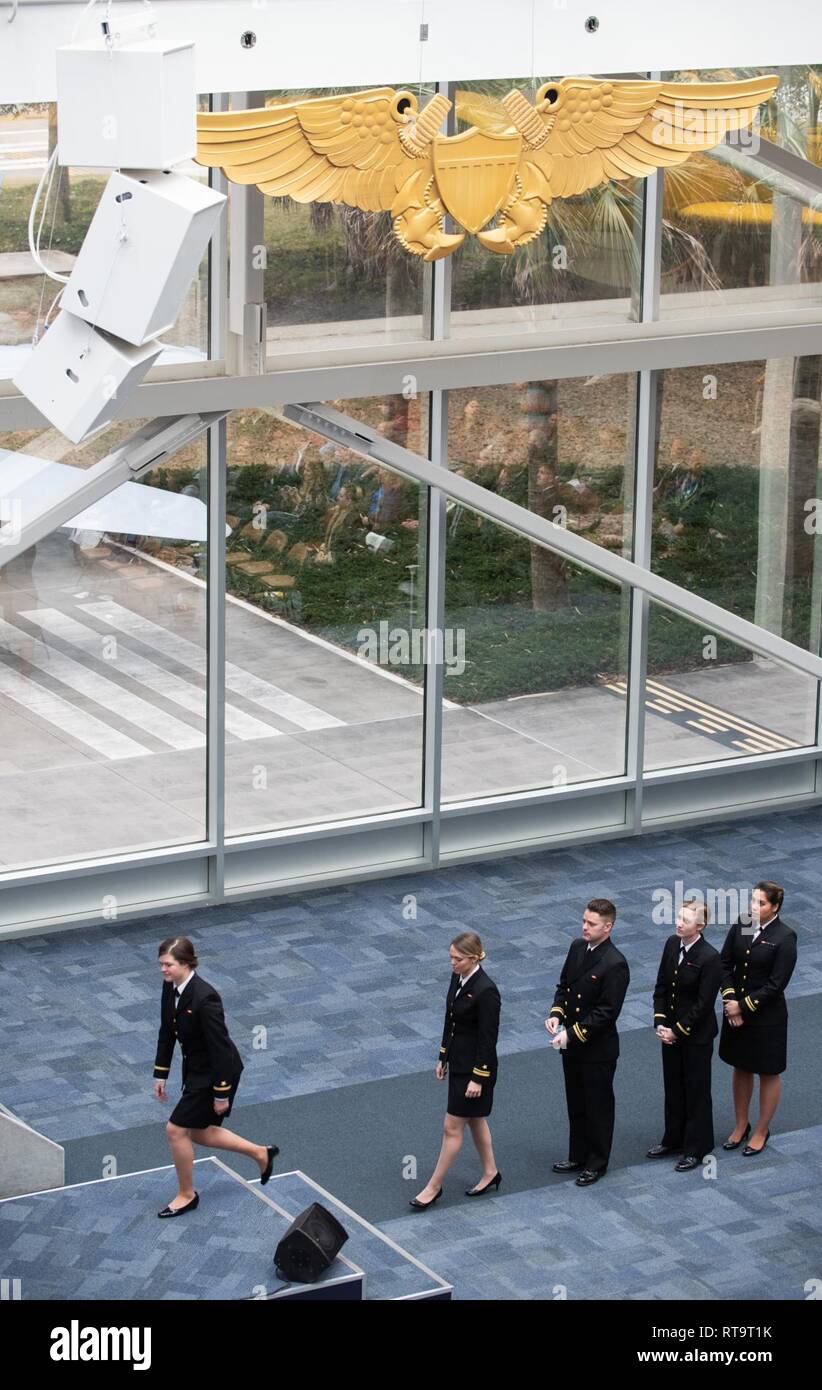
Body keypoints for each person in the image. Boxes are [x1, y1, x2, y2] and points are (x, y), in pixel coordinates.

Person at [153, 936, 279, 1216]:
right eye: (161, 964)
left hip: (216, 1072)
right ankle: (261, 1153)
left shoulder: (205, 997)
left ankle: (186, 1195)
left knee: (175, 1130)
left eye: (168, 964)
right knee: (198, 1131)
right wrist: (160, 1074)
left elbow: (220, 1048)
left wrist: (221, 1092)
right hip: (196, 1069)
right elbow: (167, 1031)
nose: (163, 970)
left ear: (185, 964)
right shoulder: (170, 987)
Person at [411, 933, 502, 1209]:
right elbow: (450, 1019)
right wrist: (443, 1056)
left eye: (458, 959)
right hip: (459, 1064)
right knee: (475, 1120)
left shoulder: (487, 991)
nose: (452, 963)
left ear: (474, 958)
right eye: (451, 957)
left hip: (474, 1071)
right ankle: (491, 1172)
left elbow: (488, 1039)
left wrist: (478, 1077)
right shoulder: (458, 977)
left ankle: (433, 1186)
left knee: (452, 1127)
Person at [546, 899, 629, 1186]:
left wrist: (571, 1032)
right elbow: (564, 987)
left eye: (591, 924)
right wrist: (556, 1014)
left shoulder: (615, 963)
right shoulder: (577, 948)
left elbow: (606, 1013)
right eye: (584, 921)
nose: (585, 927)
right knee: (577, 1102)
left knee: (598, 1107)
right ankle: (578, 1154)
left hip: (597, 1048)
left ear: (608, 927)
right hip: (571, 1044)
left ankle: (597, 1162)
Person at [718, 881, 797, 1155]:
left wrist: (742, 1007)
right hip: (736, 1010)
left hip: (766, 1017)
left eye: (761, 903)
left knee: (768, 1071)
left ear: (775, 907)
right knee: (741, 1066)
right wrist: (730, 1001)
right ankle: (741, 1125)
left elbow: (776, 985)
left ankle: (762, 1129)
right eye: (753, 900)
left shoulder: (785, 936)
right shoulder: (744, 923)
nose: (753, 907)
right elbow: (725, 963)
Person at [647, 899, 721, 1170]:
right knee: (674, 1086)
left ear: (700, 926)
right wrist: (660, 1022)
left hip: (695, 1036)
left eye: (686, 920)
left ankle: (697, 1147)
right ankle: (673, 1138)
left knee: (696, 1090)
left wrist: (677, 1031)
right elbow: (662, 986)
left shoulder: (710, 957)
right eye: (678, 917)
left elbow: (703, 1004)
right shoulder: (671, 943)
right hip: (670, 1033)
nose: (679, 923)